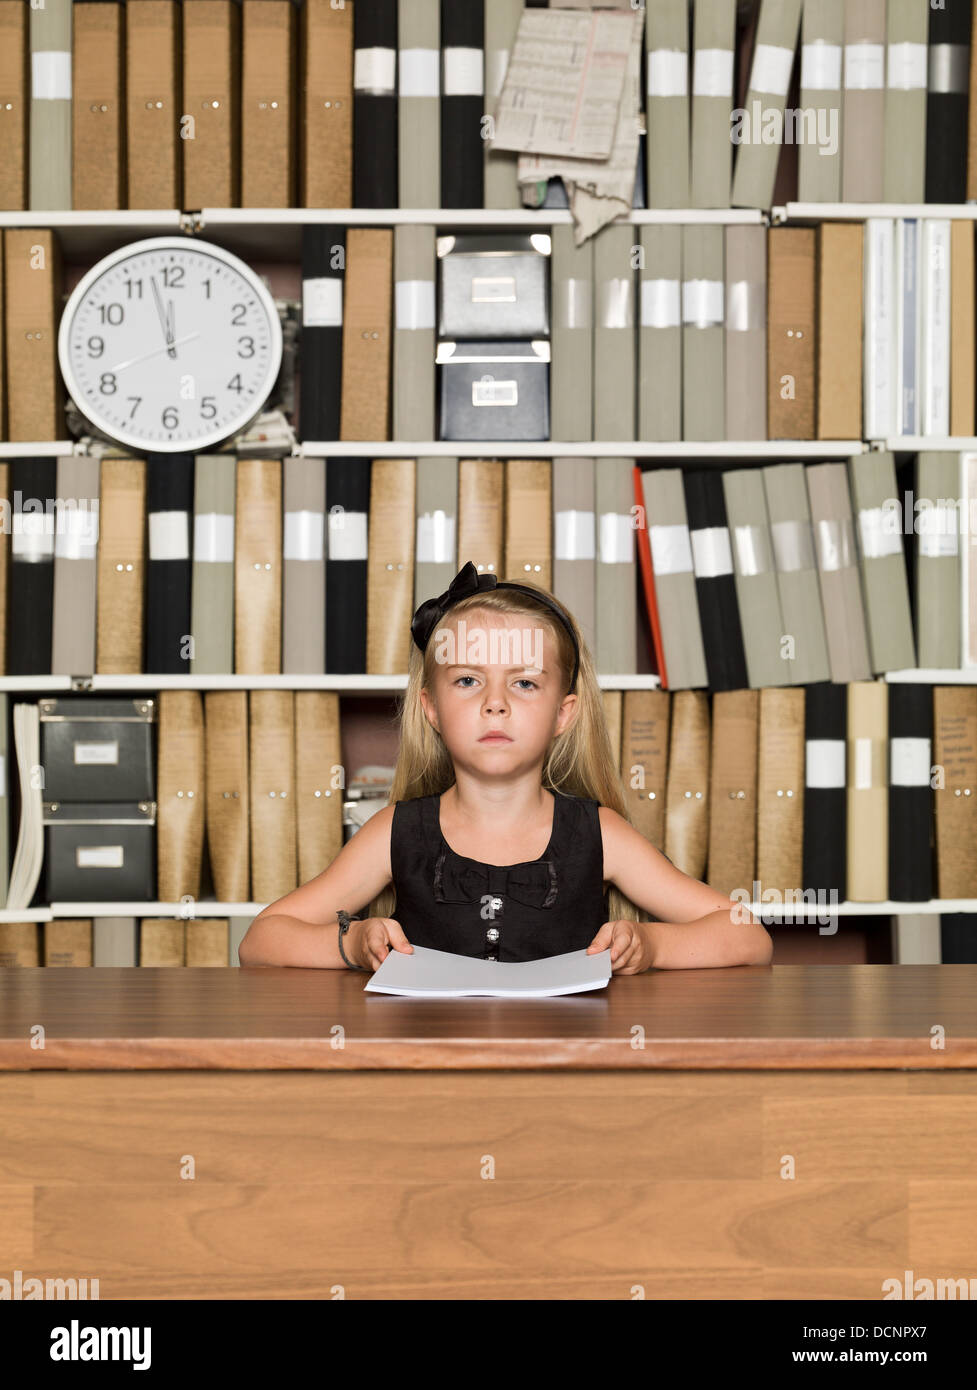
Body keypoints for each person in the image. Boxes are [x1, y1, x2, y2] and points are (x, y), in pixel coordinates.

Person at [239, 561, 771, 974]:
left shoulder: (598, 834)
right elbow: (260, 941)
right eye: (468, 681)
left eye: (524, 682)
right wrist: (351, 944)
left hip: (565, 1068)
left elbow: (748, 935)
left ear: (564, 714)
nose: (496, 703)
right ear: (431, 710)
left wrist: (652, 945)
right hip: (429, 1067)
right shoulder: (395, 832)